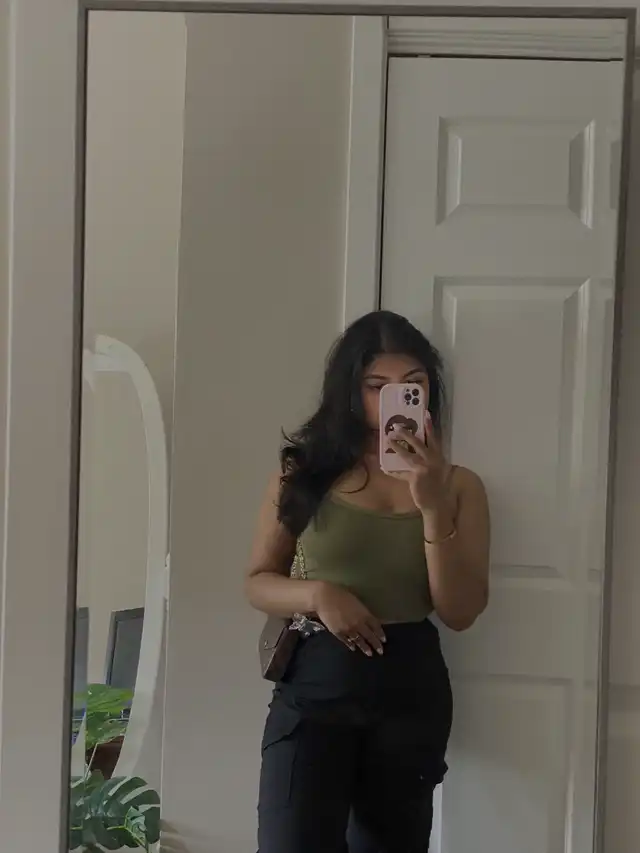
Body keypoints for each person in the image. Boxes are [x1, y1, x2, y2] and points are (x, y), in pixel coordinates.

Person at [245, 310, 490, 853]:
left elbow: (460, 612)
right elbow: (258, 582)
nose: (394, 399)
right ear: (351, 392)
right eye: (377, 386)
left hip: (409, 692)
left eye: (412, 384)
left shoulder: (460, 487)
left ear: (429, 392)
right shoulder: (303, 473)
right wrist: (318, 594)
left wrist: (432, 507)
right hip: (314, 685)